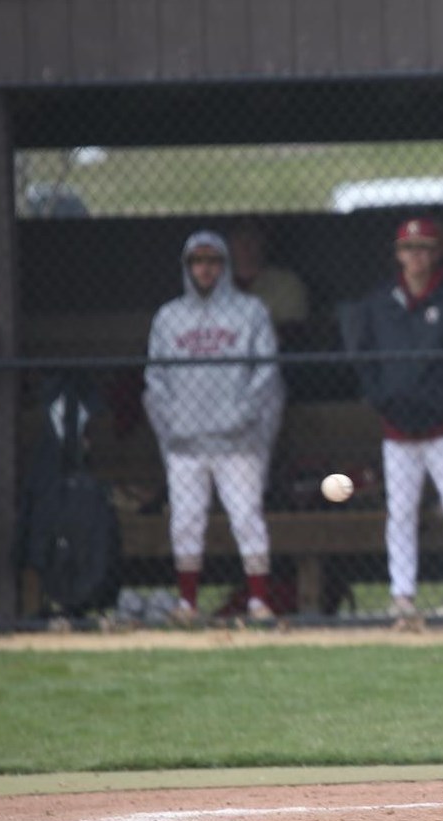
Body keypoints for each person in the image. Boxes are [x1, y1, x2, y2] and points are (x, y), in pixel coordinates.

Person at [144, 230, 283, 623]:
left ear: (224, 266)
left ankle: (259, 601)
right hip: (186, 441)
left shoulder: (250, 311)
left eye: (213, 261)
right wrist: (173, 423)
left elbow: (266, 372)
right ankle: (188, 602)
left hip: (237, 440)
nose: (205, 269)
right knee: (186, 521)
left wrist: (243, 413)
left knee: (246, 517)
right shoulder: (169, 318)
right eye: (197, 262)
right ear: (188, 267)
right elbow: (155, 381)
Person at [344, 217, 443, 617]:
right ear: (398, 255)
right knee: (400, 513)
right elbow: (366, 361)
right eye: (408, 249)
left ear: (436, 254)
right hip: (397, 429)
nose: (415, 256)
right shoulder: (380, 302)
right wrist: (385, 401)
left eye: (423, 248)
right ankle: (402, 595)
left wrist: (440, 403)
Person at [227, 219, 311, 351]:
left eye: (252, 236)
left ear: (263, 240)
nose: (245, 244)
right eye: (239, 236)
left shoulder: (286, 283)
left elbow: (291, 333)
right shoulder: (215, 285)